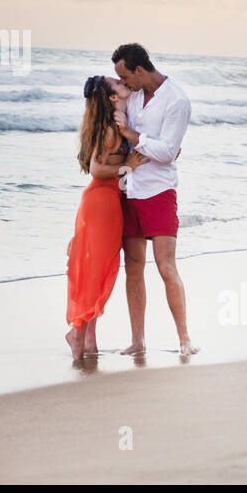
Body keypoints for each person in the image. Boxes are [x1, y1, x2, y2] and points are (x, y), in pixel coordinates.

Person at [110, 43, 197, 356]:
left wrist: (134, 138)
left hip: (159, 191)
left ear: (139, 69)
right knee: (133, 268)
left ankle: (185, 340)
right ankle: (138, 341)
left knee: (165, 267)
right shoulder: (132, 94)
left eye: (124, 76)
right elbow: (103, 85)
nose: (122, 83)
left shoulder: (176, 101)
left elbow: (167, 152)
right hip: (129, 189)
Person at [64, 74, 149, 361]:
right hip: (101, 202)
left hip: (108, 202)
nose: (123, 82)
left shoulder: (117, 124)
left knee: (98, 271)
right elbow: (97, 169)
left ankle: (89, 340)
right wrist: (129, 166)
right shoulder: (111, 131)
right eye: (118, 83)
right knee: (96, 271)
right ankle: (78, 333)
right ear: (113, 97)